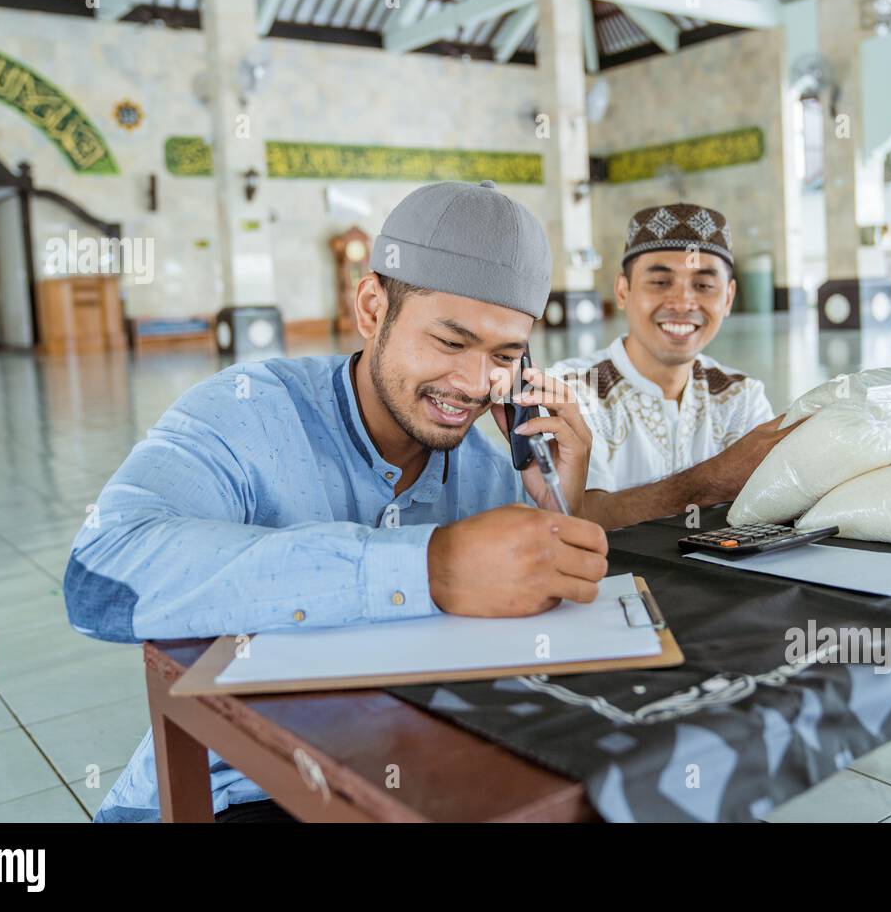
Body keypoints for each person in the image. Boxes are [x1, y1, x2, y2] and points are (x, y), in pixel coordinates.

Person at [63, 180, 606, 822]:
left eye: (504, 356)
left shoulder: (491, 474)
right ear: (373, 307)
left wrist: (554, 509)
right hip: (237, 787)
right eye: (451, 342)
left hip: (405, 779)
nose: (471, 384)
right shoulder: (248, 411)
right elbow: (99, 581)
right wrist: (427, 568)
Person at [553, 203, 797, 530]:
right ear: (623, 290)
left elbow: (775, 507)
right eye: (660, 282)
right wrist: (714, 478)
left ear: (727, 298)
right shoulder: (571, 390)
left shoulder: (741, 396)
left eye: (703, 285)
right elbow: (584, 516)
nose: (682, 303)